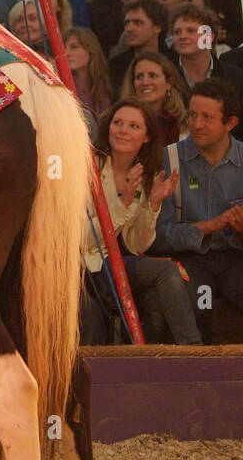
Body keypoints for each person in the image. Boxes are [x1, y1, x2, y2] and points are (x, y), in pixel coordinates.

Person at [81, 99, 199, 346]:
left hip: (109, 264)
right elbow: (82, 240)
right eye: (118, 123)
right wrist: (122, 203)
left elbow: (136, 245)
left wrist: (153, 205)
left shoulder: (143, 176)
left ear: (146, 137)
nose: (123, 130)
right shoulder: (87, 167)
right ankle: (187, 350)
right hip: (80, 266)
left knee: (163, 282)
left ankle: (181, 355)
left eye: (134, 126)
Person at [154, 78, 243, 343]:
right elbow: (158, 235)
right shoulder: (168, 159)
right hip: (190, 259)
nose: (196, 125)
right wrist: (210, 226)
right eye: (193, 115)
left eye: (207, 118)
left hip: (238, 259)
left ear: (230, 123)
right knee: (198, 304)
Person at [169, 2, 243, 145]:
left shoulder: (235, 77)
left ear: (209, 36)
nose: (182, 36)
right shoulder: (164, 75)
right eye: (177, 32)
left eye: (190, 31)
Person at [123, 51, 189, 145]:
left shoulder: (184, 125)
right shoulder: (121, 122)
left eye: (153, 76)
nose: (145, 82)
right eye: (139, 77)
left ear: (168, 83)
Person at [107, 0, 169, 86]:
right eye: (127, 23)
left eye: (138, 22)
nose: (129, 29)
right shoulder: (114, 68)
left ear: (157, 27)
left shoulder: (175, 62)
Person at [64, 27, 113, 126]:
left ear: (90, 50)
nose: (66, 53)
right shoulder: (62, 90)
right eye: (63, 48)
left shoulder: (108, 89)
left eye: (74, 47)